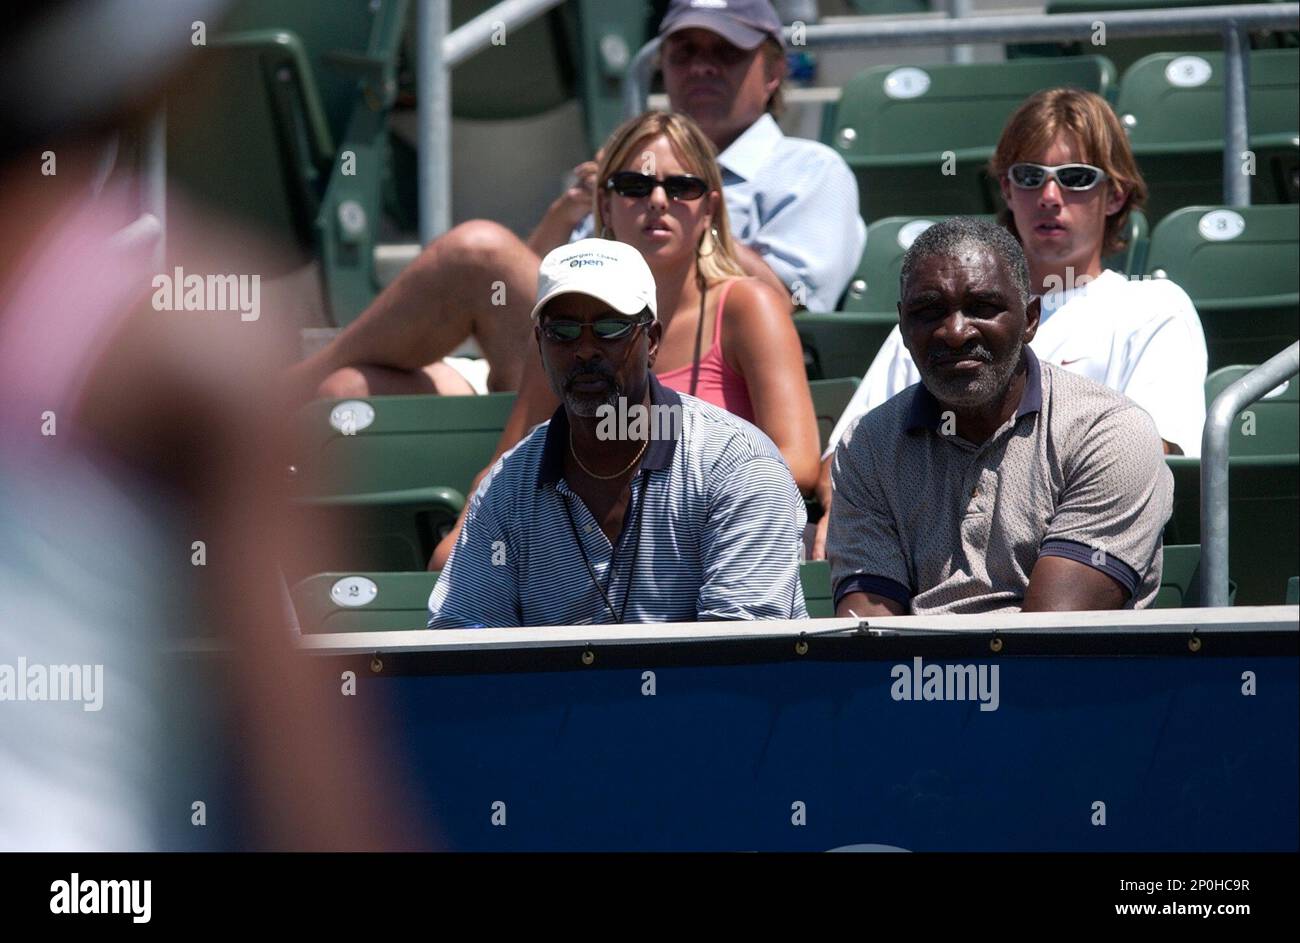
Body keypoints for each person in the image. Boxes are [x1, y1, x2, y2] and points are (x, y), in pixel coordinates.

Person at [283, 0, 864, 400]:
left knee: (479, 248)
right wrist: (568, 214)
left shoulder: (810, 170)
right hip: (567, 356)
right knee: (348, 393)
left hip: (690, 373)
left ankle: (285, 390)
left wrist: (696, 202)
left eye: (727, 51)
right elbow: (530, 288)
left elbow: (788, 311)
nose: (703, 65)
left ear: (773, 72)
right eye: (684, 50)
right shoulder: (627, 166)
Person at [814, 88, 1207, 559]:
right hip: (924, 565)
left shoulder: (1152, 306)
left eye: (1076, 177)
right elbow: (843, 462)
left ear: (1115, 194)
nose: (1049, 196)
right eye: (1029, 176)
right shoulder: (939, 314)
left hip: (1080, 557)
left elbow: (1155, 458)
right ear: (1006, 188)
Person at [428, 110, 820, 567]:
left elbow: (798, 462)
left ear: (709, 208)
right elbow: (508, 466)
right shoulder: (562, 327)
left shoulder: (748, 307)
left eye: (681, 187)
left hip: (711, 538)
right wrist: (461, 542)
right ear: (605, 206)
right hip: (581, 546)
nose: (657, 200)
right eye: (634, 186)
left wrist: (668, 493)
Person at [428, 238, 808, 628]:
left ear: (653, 341)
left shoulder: (735, 464)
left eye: (611, 327)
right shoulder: (508, 487)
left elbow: (743, 657)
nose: (585, 349)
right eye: (563, 331)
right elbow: (465, 642)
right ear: (539, 344)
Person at [826, 218, 1173, 617]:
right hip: (913, 677)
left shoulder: (1109, 434)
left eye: (982, 308)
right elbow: (871, 640)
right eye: (930, 311)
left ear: (1030, 319)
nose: (955, 332)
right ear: (903, 326)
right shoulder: (868, 446)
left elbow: (1050, 640)